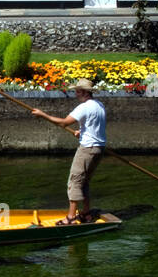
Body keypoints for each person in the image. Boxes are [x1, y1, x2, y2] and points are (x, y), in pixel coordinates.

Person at [30, 78, 105, 225]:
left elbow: (64, 122)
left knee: (75, 181)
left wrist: (42, 115)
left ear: (84, 92)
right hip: (99, 148)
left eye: (77, 91)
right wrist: (81, 132)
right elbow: (94, 127)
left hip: (87, 149)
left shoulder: (84, 107)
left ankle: (70, 217)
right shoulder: (99, 105)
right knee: (85, 182)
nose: (75, 94)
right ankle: (86, 213)